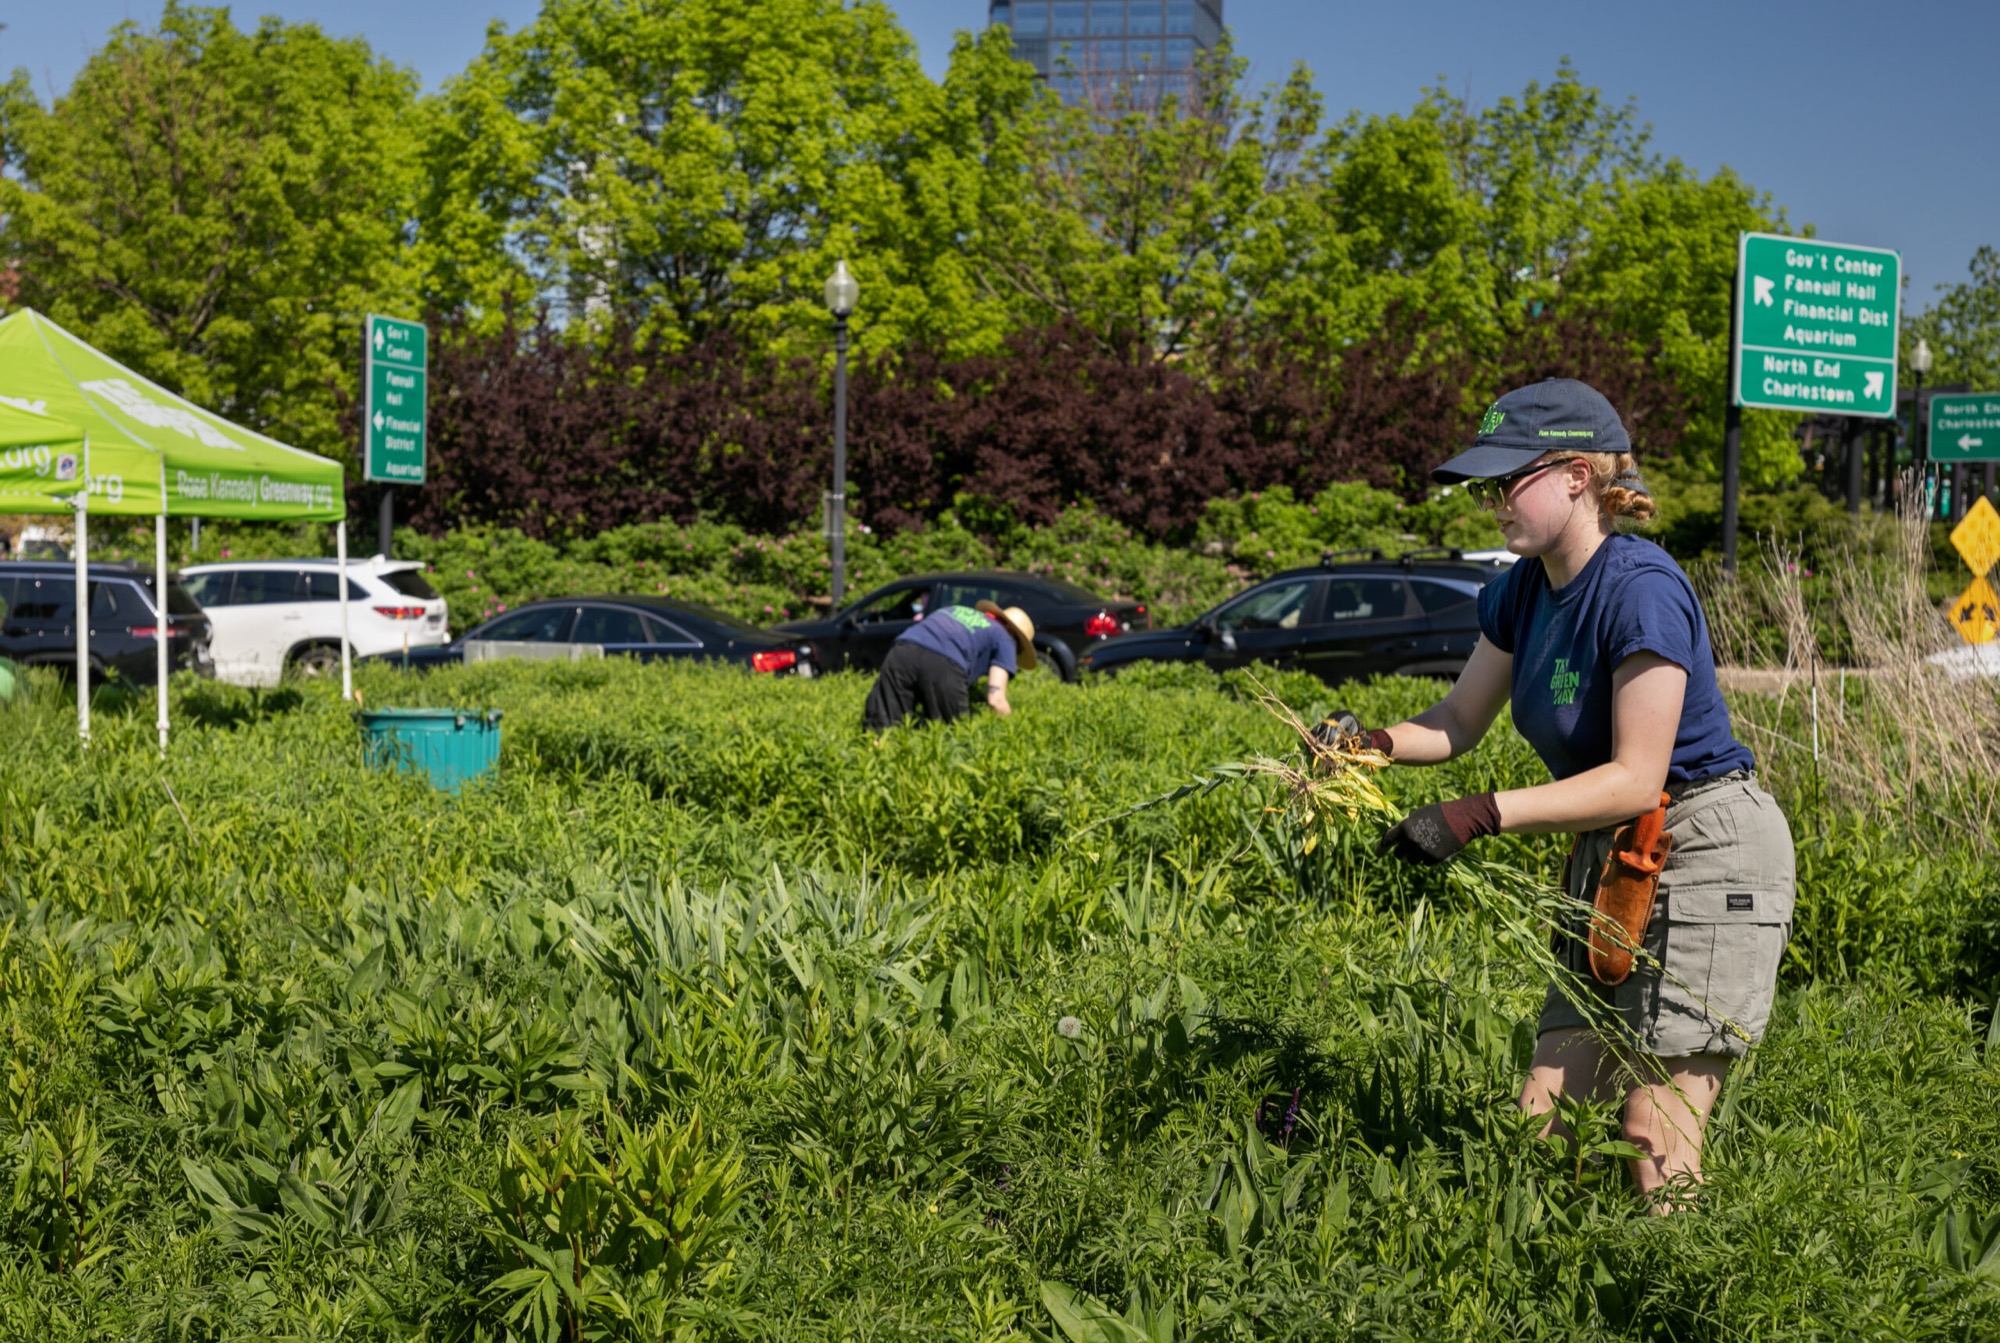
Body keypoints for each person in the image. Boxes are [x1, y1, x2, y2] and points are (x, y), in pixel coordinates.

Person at [1330, 378, 1794, 1211]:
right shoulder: (1522, 589)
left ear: (1578, 475)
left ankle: (1686, 1279)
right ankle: (1546, 1274)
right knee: (1541, 1125)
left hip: (1703, 844)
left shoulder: (1640, 588)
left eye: (1508, 479)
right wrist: (1371, 745)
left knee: (1653, 1133)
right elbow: (1457, 720)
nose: (1493, 501)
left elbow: (1637, 775)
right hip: (1611, 849)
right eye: (1486, 485)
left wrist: (1479, 814)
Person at [862, 600, 1037, 731]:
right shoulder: (1006, 638)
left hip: (903, 650)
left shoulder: (957, 609)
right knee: (952, 738)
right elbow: (996, 699)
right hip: (944, 663)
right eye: (1019, 649)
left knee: (883, 727)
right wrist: (1012, 730)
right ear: (1015, 635)